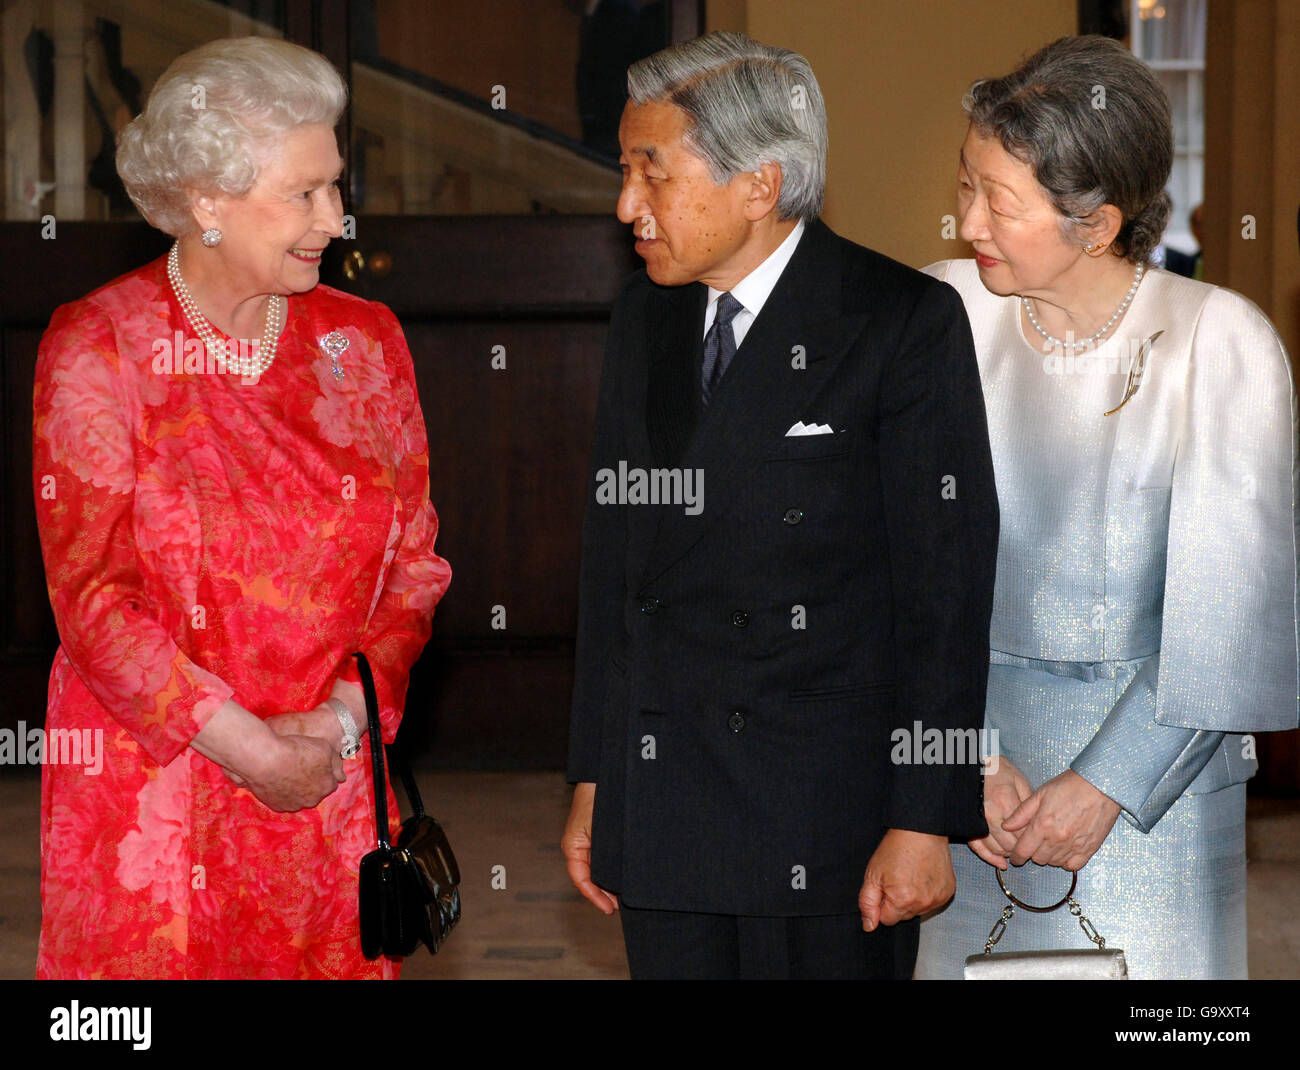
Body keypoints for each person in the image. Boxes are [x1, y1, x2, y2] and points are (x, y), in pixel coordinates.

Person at [561, 30, 999, 980]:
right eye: (625, 169)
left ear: (759, 186)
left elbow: (947, 593)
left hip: (828, 821)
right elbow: (615, 563)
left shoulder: (900, 322)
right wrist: (597, 775)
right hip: (665, 795)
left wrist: (924, 814)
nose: (626, 205)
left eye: (652, 171)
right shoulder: (646, 313)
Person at [32, 36, 451, 979]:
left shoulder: (365, 341)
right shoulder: (100, 348)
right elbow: (94, 601)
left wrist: (342, 722)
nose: (335, 219)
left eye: (336, 186)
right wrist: (251, 749)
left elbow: (414, 564)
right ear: (206, 202)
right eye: (302, 194)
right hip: (161, 783)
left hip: (328, 777)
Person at [915, 35, 1298, 979]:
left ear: (1096, 223)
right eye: (965, 184)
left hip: (1156, 777)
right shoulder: (937, 315)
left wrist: (1105, 784)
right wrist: (965, 758)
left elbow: (1230, 612)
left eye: (998, 202)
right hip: (970, 769)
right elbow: (888, 565)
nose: (967, 220)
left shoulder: (1218, 340)